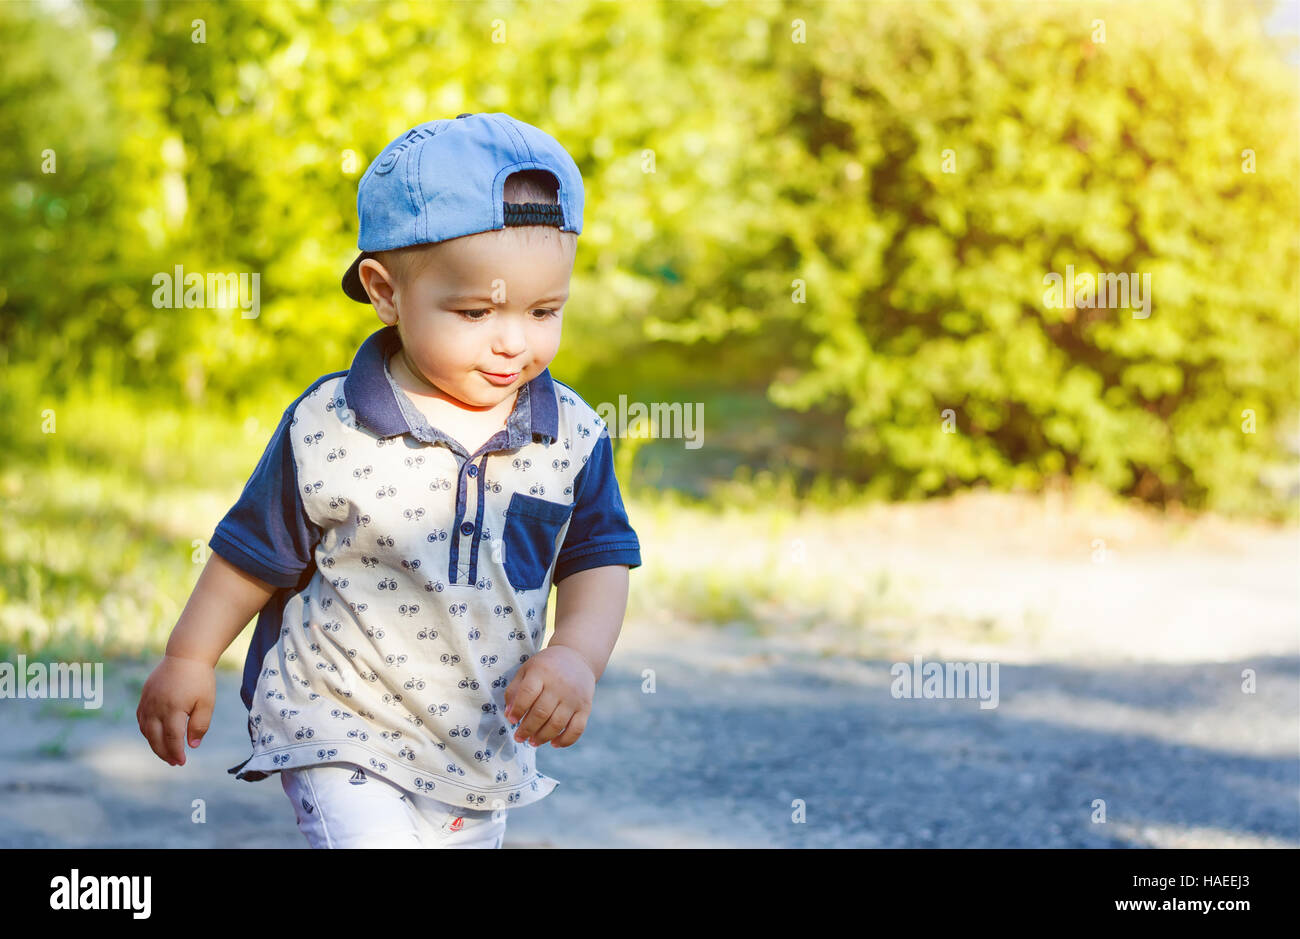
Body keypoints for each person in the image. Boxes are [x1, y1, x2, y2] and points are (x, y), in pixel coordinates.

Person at [136, 113, 643, 848]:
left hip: (479, 743)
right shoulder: (330, 424)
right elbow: (252, 550)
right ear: (384, 291)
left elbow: (597, 556)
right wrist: (188, 656)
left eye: (545, 310)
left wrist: (575, 655)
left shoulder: (571, 434)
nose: (513, 339)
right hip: (338, 723)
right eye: (474, 311)